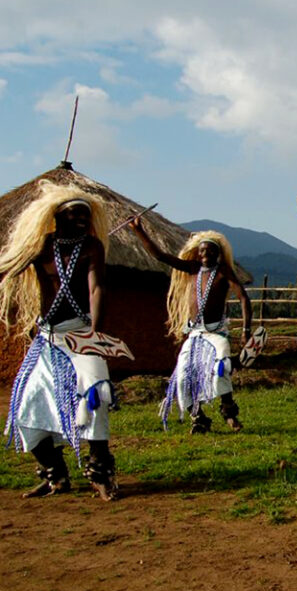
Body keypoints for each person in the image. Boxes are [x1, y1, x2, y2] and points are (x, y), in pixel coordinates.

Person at [1, 181, 118, 500]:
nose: (83, 218)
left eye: (86, 213)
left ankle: (101, 474)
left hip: (81, 332)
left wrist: (95, 332)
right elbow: (10, 267)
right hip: (48, 338)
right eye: (75, 213)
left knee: (95, 395)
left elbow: (97, 289)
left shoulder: (93, 247)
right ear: (58, 216)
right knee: (26, 407)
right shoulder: (42, 245)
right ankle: (56, 475)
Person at [129, 221, 252, 433]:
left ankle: (229, 413)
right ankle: (198, 417)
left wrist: (246, 331)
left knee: (221, 367)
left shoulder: (224, 272)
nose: (206, 253)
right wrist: (138, 230)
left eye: (210, 250)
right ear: (197, 253)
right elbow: (160, 256)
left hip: (216, 332)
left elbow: (243, 298)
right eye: (202, 250)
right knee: (183, 376)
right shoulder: (193, 269)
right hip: (195, 334)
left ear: (218, 253)